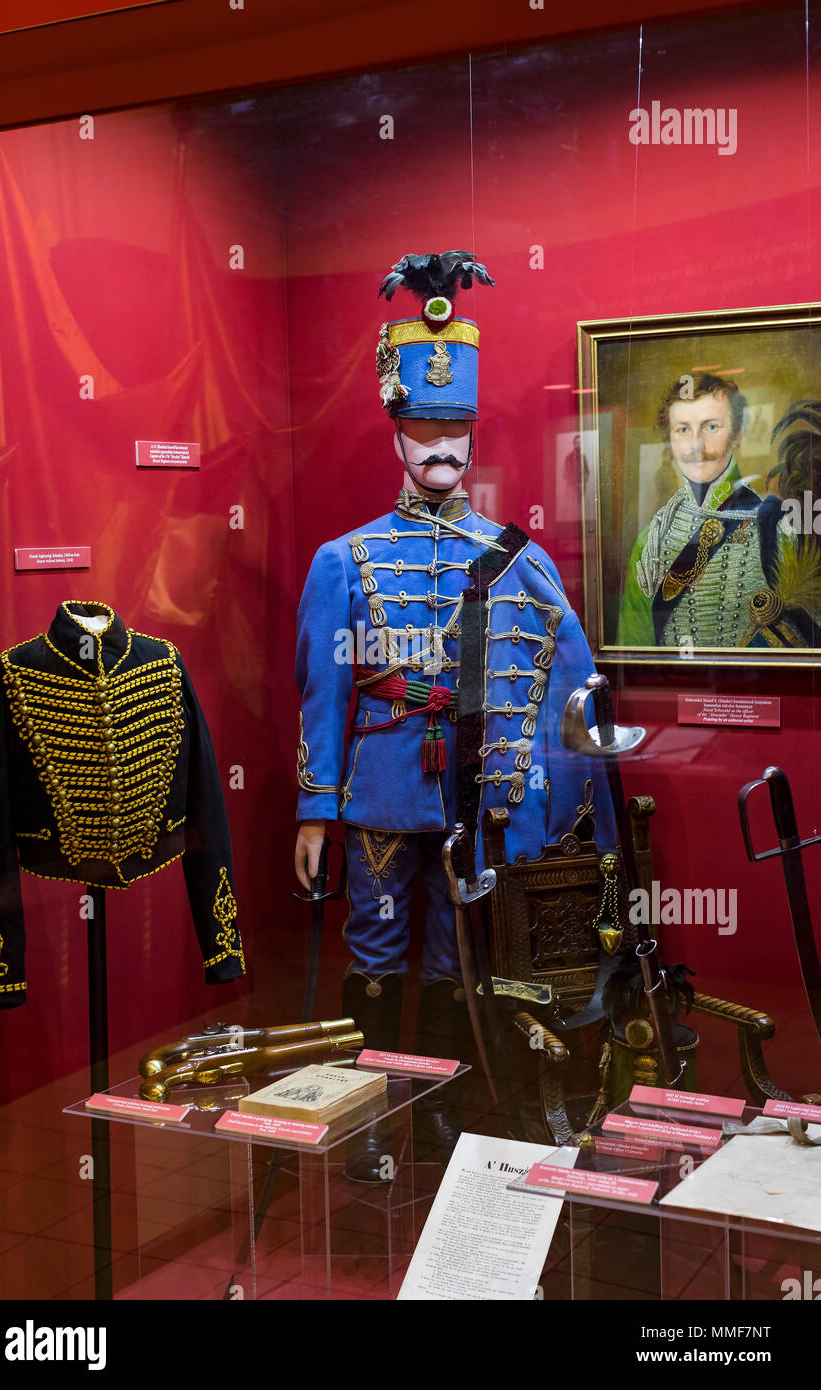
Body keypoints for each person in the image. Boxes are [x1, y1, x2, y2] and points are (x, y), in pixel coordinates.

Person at [293, 251, 614, 1178]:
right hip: (384, 795)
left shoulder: (512, 555)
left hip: (474, 800)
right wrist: (317, 808)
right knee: (377, 951)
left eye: (454, 425)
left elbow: (565, 672)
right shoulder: (343, 562)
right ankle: (367, 1112)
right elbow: (325, 691)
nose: (440, 442)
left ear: (472, 435)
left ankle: (431, 1110)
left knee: (451, 960)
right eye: (423, 423)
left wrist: (552, 787)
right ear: (396, 432)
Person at [617, 373, 768, 648]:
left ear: (737, 434)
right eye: (683, 430)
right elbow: (634, 649)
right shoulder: (651, 539)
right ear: (669, 442)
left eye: (711, 427)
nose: (696, 445)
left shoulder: (775, 526)